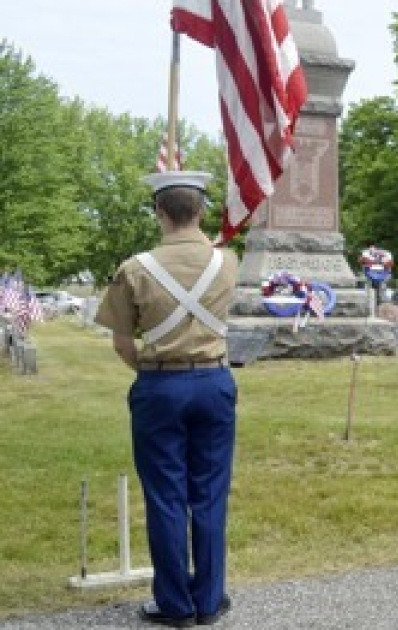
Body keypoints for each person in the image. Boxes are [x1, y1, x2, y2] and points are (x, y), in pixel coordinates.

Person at [94, 171, 238, 627]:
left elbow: (121, 342)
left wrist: (156, 374)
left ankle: (176, 605)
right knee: (210, 495)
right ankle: (209, 599)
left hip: (160, 385)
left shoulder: (135, 269)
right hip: (214, 382)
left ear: (159, 212)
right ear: (201, 211)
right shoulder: (227, 262)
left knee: (166, 497)